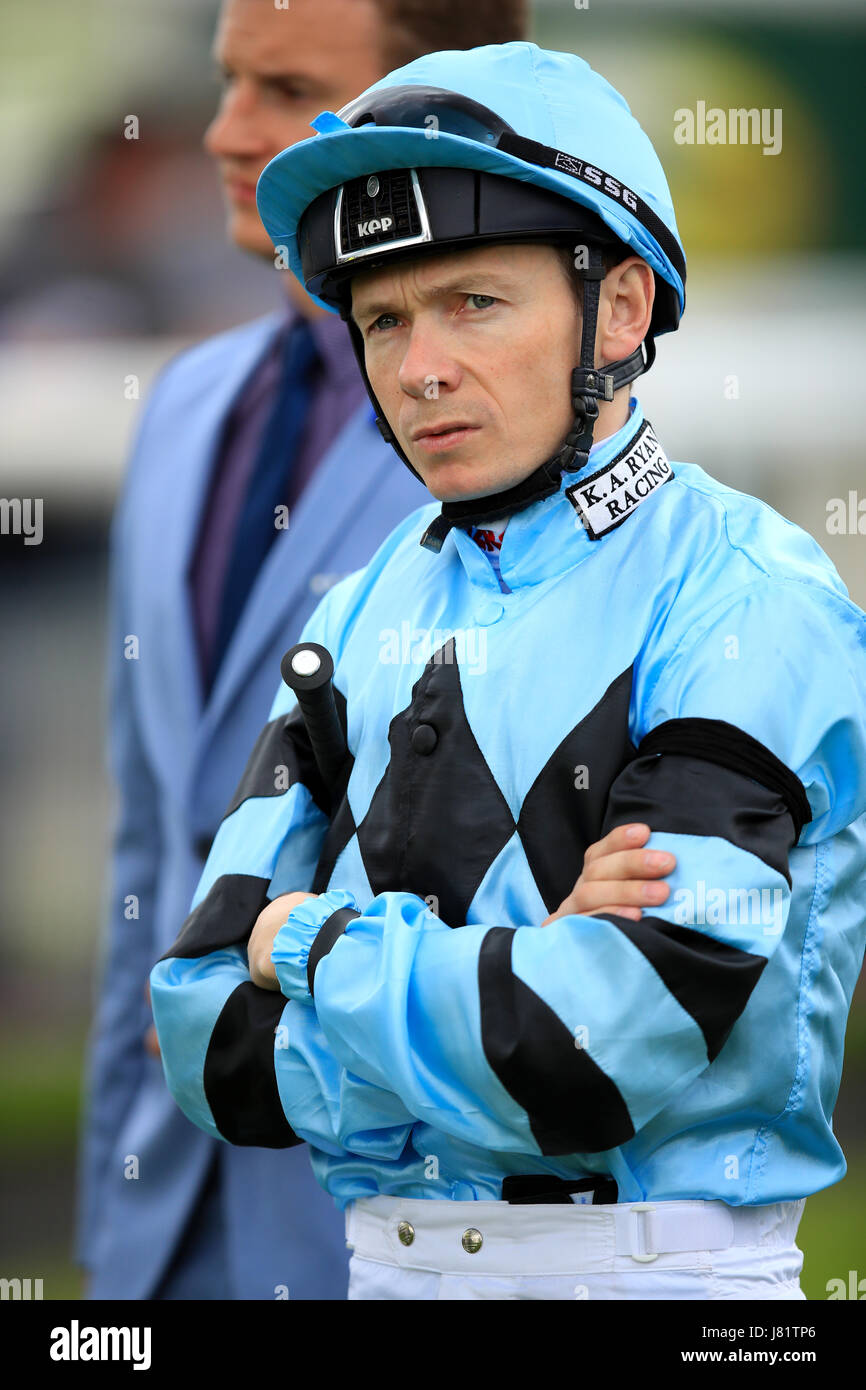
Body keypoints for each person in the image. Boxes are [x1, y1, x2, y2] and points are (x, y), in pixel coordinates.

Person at [150, 41, 866, 1301]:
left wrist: (306, 943)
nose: (420, 367)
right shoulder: (361, 602)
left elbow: (589, 1047)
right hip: (377, 1271)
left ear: (622, 309)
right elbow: (207, 1041)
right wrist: (510, 967)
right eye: (383, 318)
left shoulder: (750, 593)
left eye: (475, 302)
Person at [76, 0, 529, 1302]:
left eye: (281, 89)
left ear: (439, 109)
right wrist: (115, 1214)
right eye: (226, 83)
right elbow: (152, 851)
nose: (224, 132)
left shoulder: (527, 440)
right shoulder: (186, 403)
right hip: (167, 1230)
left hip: (413, 1228)